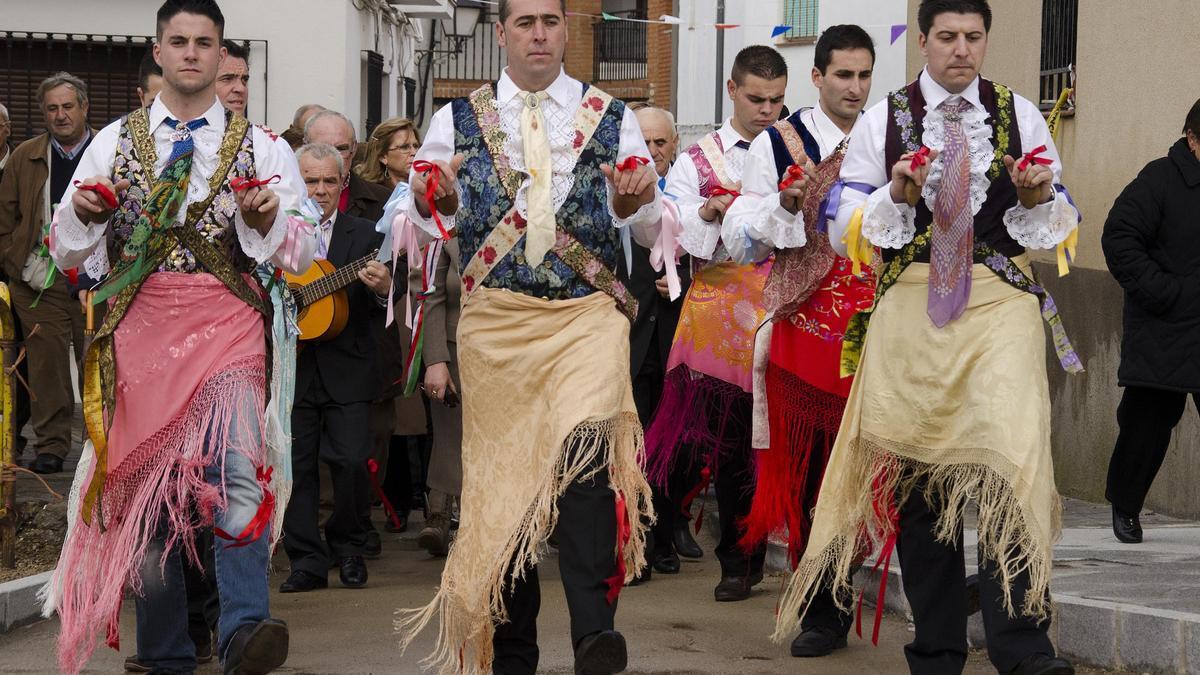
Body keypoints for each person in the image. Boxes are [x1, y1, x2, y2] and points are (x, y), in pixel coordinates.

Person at [778, 2, 1081, 673]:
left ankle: (1025, 647)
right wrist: (895, 195)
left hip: (999, 302)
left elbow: (1060, 212)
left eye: (973, 37)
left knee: (1015, 465)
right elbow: (842, 222)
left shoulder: (1019, 112)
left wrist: (1036, 198)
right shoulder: (882, 118)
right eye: (947, 37)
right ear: (922, 41)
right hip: (914, 306)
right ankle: (937, 648)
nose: (961, 50)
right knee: (924, 490)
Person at [45, 1, 316, 672]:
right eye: (179, 41)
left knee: (237, 473)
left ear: (222, 55)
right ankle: (163, 652)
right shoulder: (110, 142)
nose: (192, 53)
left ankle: (245, 630)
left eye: (205, 43)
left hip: (229, 325)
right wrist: (80, 214)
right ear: (159, 51)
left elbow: (304, 249)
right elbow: (63, 251)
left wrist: (271, 214)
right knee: (151, 500)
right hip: (142, 330)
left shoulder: (265, 146)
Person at [395, 0, 662, 672]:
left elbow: (647, 222)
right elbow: (426, 218)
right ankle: (512, 650)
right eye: (525, 22)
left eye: (550, 20)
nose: (539, 34)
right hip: (499, 322)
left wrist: (632, 197)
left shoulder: (612, 111)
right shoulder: (451, 119)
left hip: (587, 316)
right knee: (506, 487)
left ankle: (595, 632)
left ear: (566, 30)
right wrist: (441, 199)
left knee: (586, 462)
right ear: (502, 33)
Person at [722, 24, 875, 657]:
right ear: (816, 77)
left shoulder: (889, 133)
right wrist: (785, 206)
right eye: (843, 75)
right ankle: (823, 608)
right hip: (806, 328)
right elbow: (742, 237)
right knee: (813, 474)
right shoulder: (782, 141)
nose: (856, 88)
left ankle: (855, 585)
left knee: (874, 472)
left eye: (865, 75)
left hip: (874, 325)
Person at [643, 44, 788, 603]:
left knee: (783, 439)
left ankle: (791, 549)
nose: (767, 110)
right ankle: (738, 558)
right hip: (721, 318)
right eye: (756, 99)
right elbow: (674, 234)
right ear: (732, 90)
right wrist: (705, 212)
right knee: (728, 445)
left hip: (783, 305)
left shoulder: (796, 145)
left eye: (776, 100)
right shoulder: (695, 160)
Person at [280, 142, 391, 593]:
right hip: (296, 370)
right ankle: (306, 559)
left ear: (343, 184)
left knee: (349, 463)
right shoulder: (279, 235)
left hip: (350, 369)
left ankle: (349, 548)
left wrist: (384, 286)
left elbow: (390, 292)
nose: (320, 190)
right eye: (310, 180)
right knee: (296, 467)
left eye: (330, 181)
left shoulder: (367, 235)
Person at [1101, 98, 1200, 546]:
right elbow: (1119, 237)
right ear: (1193, 138)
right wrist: (1166, 292)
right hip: (1166, 328)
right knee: (1147, 427)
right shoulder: (1158, 179)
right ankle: (1126, 506)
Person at [0, 72, 96, 475]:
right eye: (52, 108)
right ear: (43, 112)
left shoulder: (107, 148)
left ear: (84, 108)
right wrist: (13, 260)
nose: (60, 115)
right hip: (40, 277)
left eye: (68, 106)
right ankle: (52, 446)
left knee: (101, 361)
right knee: (46, 365)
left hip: (99, 277)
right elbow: (6, 215)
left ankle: (101, 445)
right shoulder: (26, 155)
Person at [623, 105, 701, 582]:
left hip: (681, 332)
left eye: (660, 143)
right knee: (634, 443)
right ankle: (640, 539)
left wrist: (684, 279)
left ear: (674, 146)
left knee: (679, 442)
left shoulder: (691, 191)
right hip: (629, 334)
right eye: (644, 142)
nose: (652, 152)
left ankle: (669, 527)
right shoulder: (615, 191)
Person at [409, 234, 463, 557]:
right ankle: (441, 513)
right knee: (450, 438)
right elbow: (428, 290)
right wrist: (435, 359)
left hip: (514, 346)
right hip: (455, 346)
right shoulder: (444, 216)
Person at [303, 110, 391, 222]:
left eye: (341, 149)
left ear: (354, 148)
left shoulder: (384, 201)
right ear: (305, 147)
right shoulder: (287, 196)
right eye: (323, 149)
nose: (334, 158)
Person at [356, 116, 422, 190]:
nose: (414, 152)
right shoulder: (368, 193)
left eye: (416, 146)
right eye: (404, 147)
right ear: (383, 157)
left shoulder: (425, 189)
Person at [216, 39, 251, 118]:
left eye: (244, 80)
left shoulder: (256, 130)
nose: (241, 88)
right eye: (228, 79)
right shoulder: (184, 128)